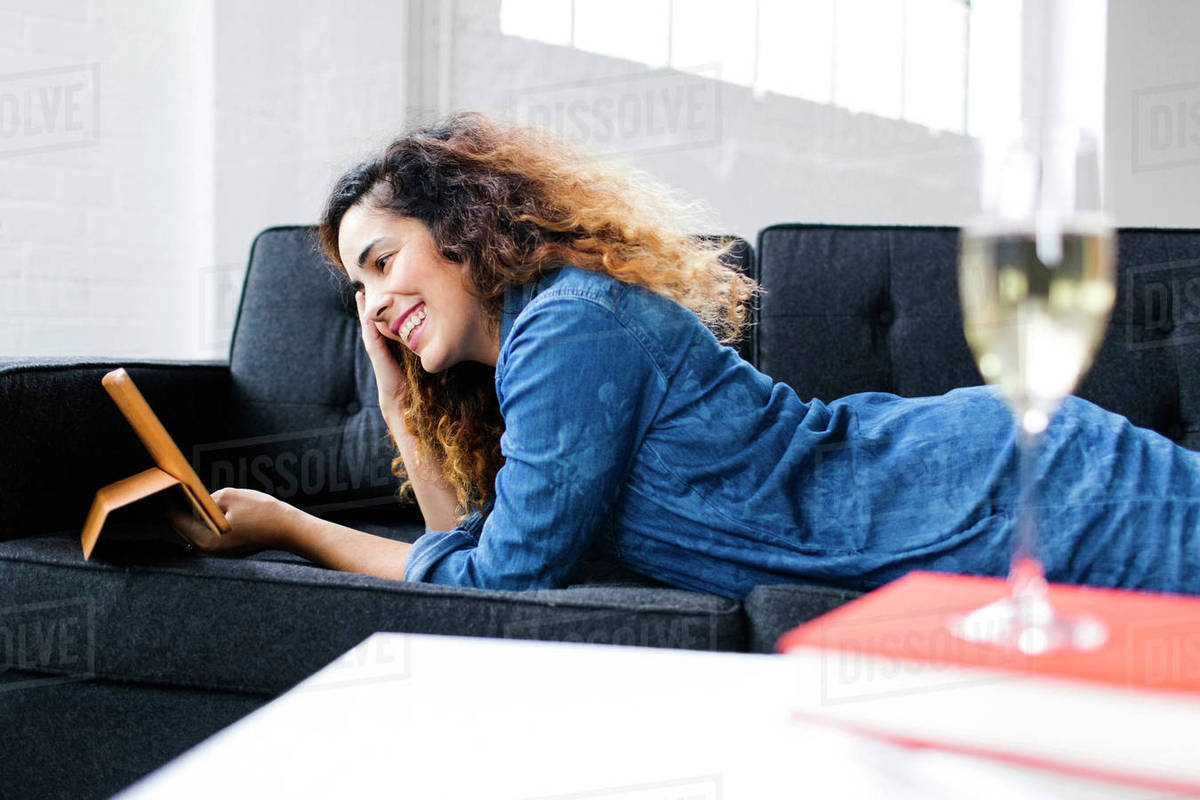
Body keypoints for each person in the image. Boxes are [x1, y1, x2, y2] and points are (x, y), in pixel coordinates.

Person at [168, 112, 1200, 601]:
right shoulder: (533, 346)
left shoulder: (569, 328)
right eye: (356, 288)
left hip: (1013, 486)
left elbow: (497, 578)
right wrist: (400, 406)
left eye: (383, 259)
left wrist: (291, 525)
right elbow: (468, 552)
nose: (375, 301)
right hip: (978, 486)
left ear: (458, 227)